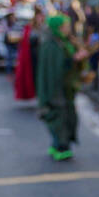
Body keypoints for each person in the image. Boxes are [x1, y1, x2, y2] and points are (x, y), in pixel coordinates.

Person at [35, 13, 85, 161]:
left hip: (65, 88)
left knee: (65, 115)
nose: (67, 29)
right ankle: (60, 146)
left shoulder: (61, 41)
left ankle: (59, 144)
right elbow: (56, 70)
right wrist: (74, 59)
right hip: (57, 90)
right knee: (59, 116)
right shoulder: (51, 45)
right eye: (65, 27)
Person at [12, 8, 41, 102]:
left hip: (39, 55)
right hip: (32, 55)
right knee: (32, 75)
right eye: (39, 17)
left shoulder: (43, 27)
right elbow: (27, 41)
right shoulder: (29, 28)